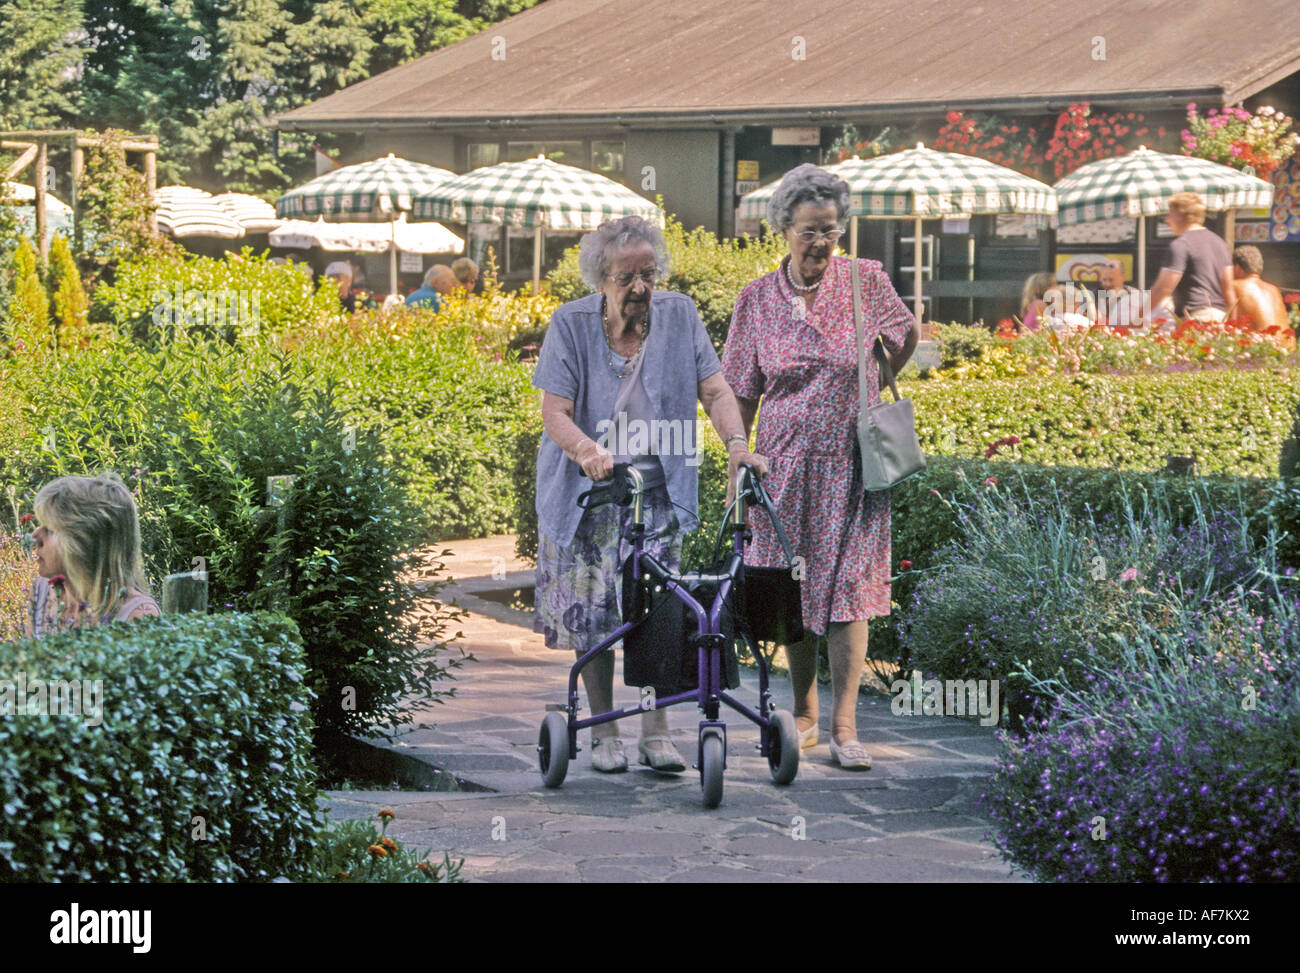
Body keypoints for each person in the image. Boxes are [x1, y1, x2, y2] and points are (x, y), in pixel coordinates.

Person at [532, 215, 766, 774]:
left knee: (659, 614)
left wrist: (737, 444)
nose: (639, 288)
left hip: (658, 492)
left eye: (648, 274)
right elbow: (554, 413)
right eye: (625, 277)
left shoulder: (680, 315)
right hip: (587, 493)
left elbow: (714, 388)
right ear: (600, 280)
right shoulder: (570, 324)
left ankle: (655, 732)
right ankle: (603, 733)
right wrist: (588, 451)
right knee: (592, 614)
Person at [721, 164, 918, 771]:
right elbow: (740, 390)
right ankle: (803, 713)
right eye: (809, 230)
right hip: (782, 469)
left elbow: (905, 335)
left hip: (853, 467)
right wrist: (737, 455)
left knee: (849, 595)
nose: (820, 242)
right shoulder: (756, 299)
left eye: (830, 229)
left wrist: (889, 360)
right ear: (784, 228)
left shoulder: (866, 280)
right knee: (793, 590)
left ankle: (845, 725)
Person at [27, 472, 161, 638]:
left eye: (50, 530)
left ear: (85, 544)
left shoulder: (137, 616)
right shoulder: (42, 592)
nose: (34, 536)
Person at [1148, 192, 1233, 323]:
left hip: (1196, 319)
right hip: (1220, 319)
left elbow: (1163, 288)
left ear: (1181, 215)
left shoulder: (1181, 245)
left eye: (1170, 214)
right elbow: (1228, 290)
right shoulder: (1220, 243)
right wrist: (1233, 323)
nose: (1166, 220)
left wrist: (1137, 317)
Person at [1230, 245, 1289, 334]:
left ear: (1237, 268)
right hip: (1287, 347)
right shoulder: (1274, 290)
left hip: (1263, 346)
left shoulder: (1235, 286)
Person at [1096, 259, 1144, 329]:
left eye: (1111, 280)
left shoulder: (1136, 296)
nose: (1107, 284)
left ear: (1123, 277)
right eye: (1104, 280)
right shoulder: (1093, 297)